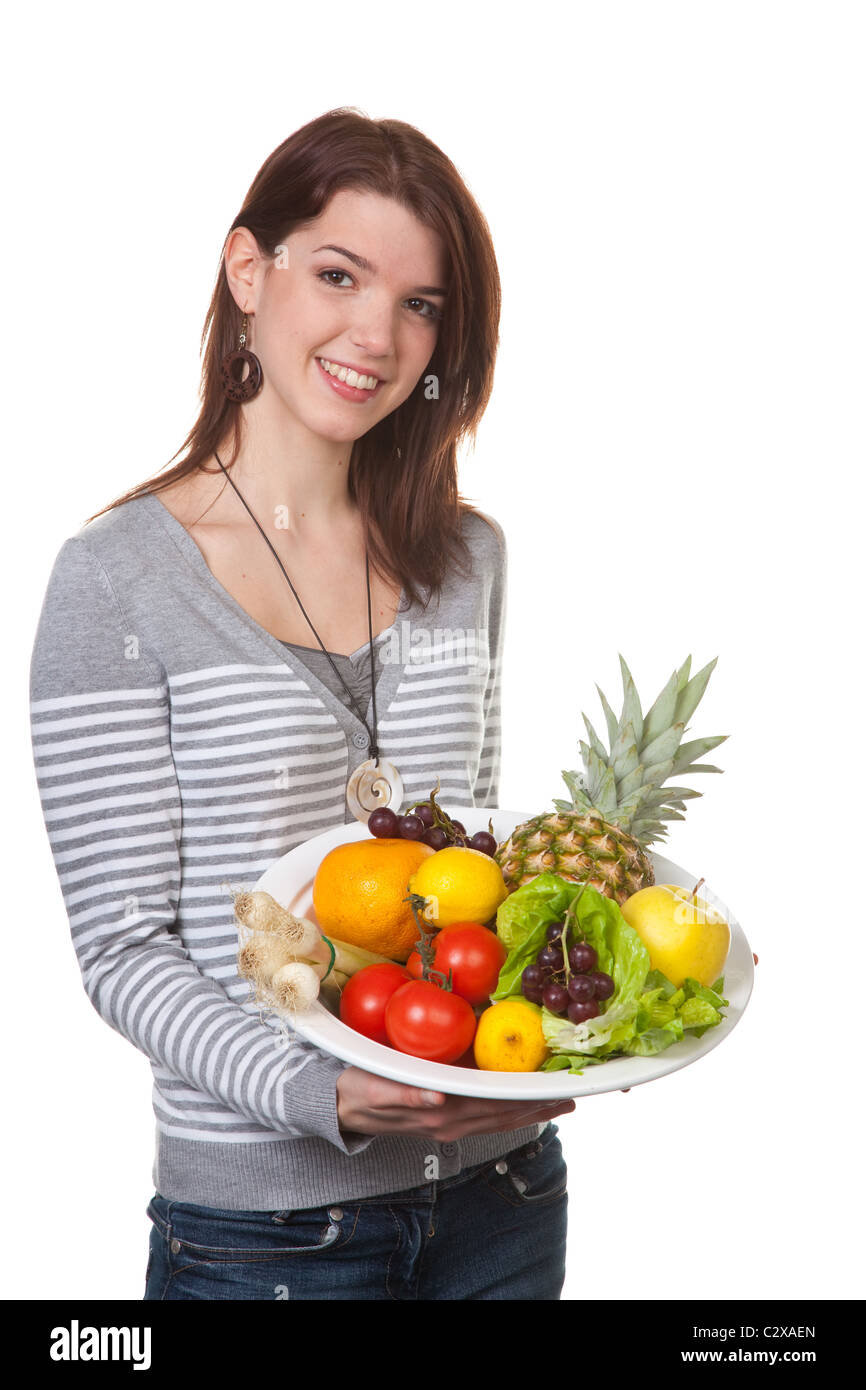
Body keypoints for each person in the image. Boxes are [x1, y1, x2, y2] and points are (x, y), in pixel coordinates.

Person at [29, 107, 573, 1301]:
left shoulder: (466, 557)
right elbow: (124, 949)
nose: (374, 334)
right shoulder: (117, 582)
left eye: (421, 303)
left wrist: (557, 1029)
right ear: (246, 273)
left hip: (506, 1192)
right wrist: (315, 1094)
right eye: (338, 274)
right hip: (271, 1237)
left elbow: (470, 862)